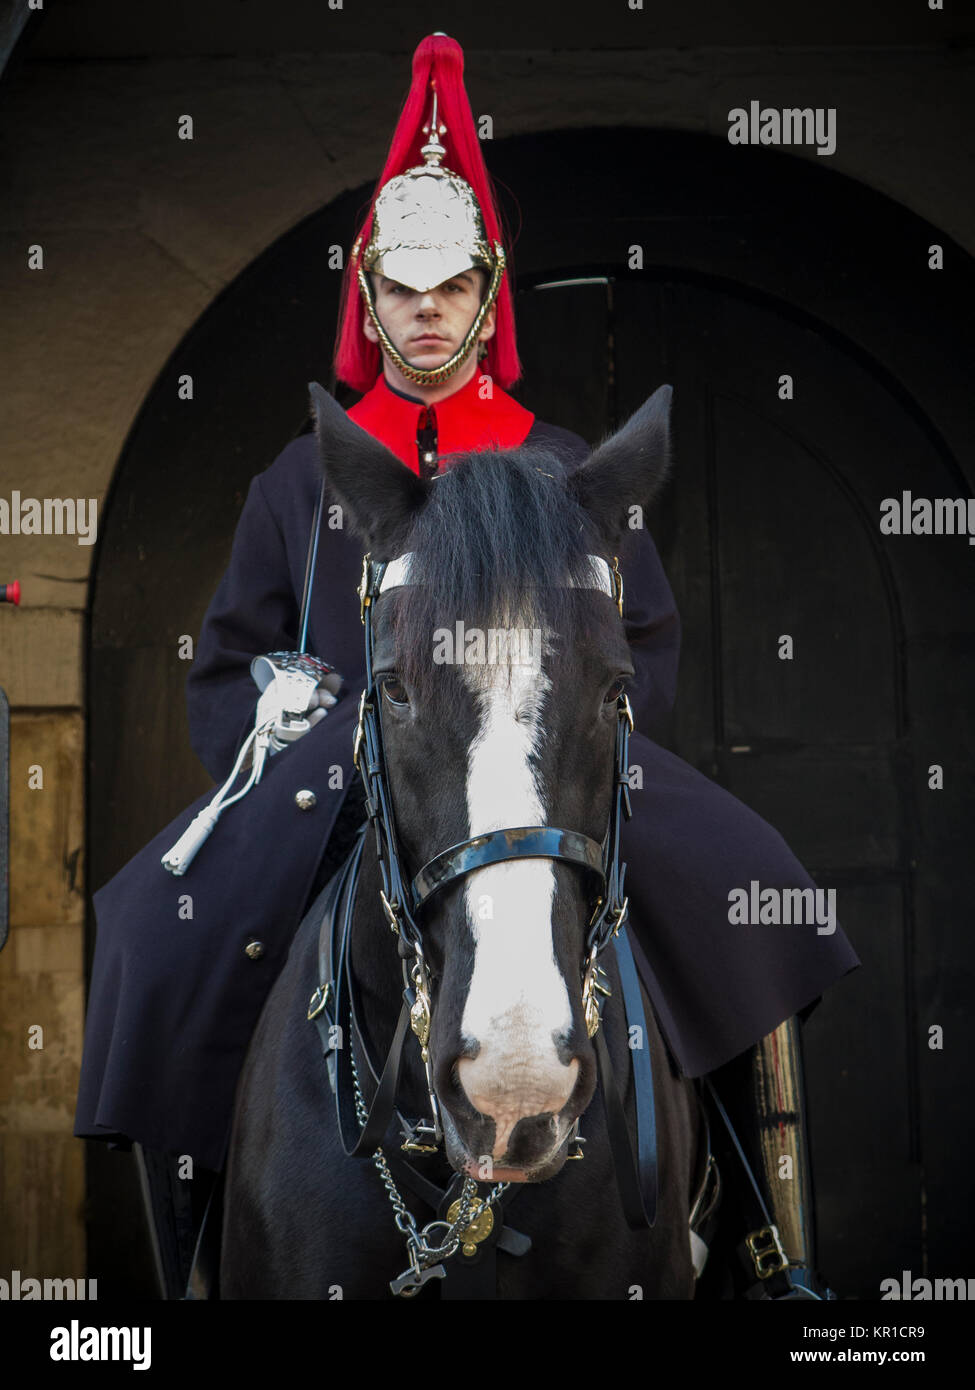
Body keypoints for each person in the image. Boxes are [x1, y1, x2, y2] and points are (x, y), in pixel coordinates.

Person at [75, 34, 858, 1300]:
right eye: (403, 288)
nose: (426, 312)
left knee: (750, 888)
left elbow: (641, 638)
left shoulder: (564, 463)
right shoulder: (302, 477)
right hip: (347, 759)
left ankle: (766, 1231)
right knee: (154, 931)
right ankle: (199, 1236)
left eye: (451, 288)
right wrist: (269, 698)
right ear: (369, 296)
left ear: (489, 292)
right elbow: (223, 658)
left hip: (546, 755)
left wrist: (572, 730)